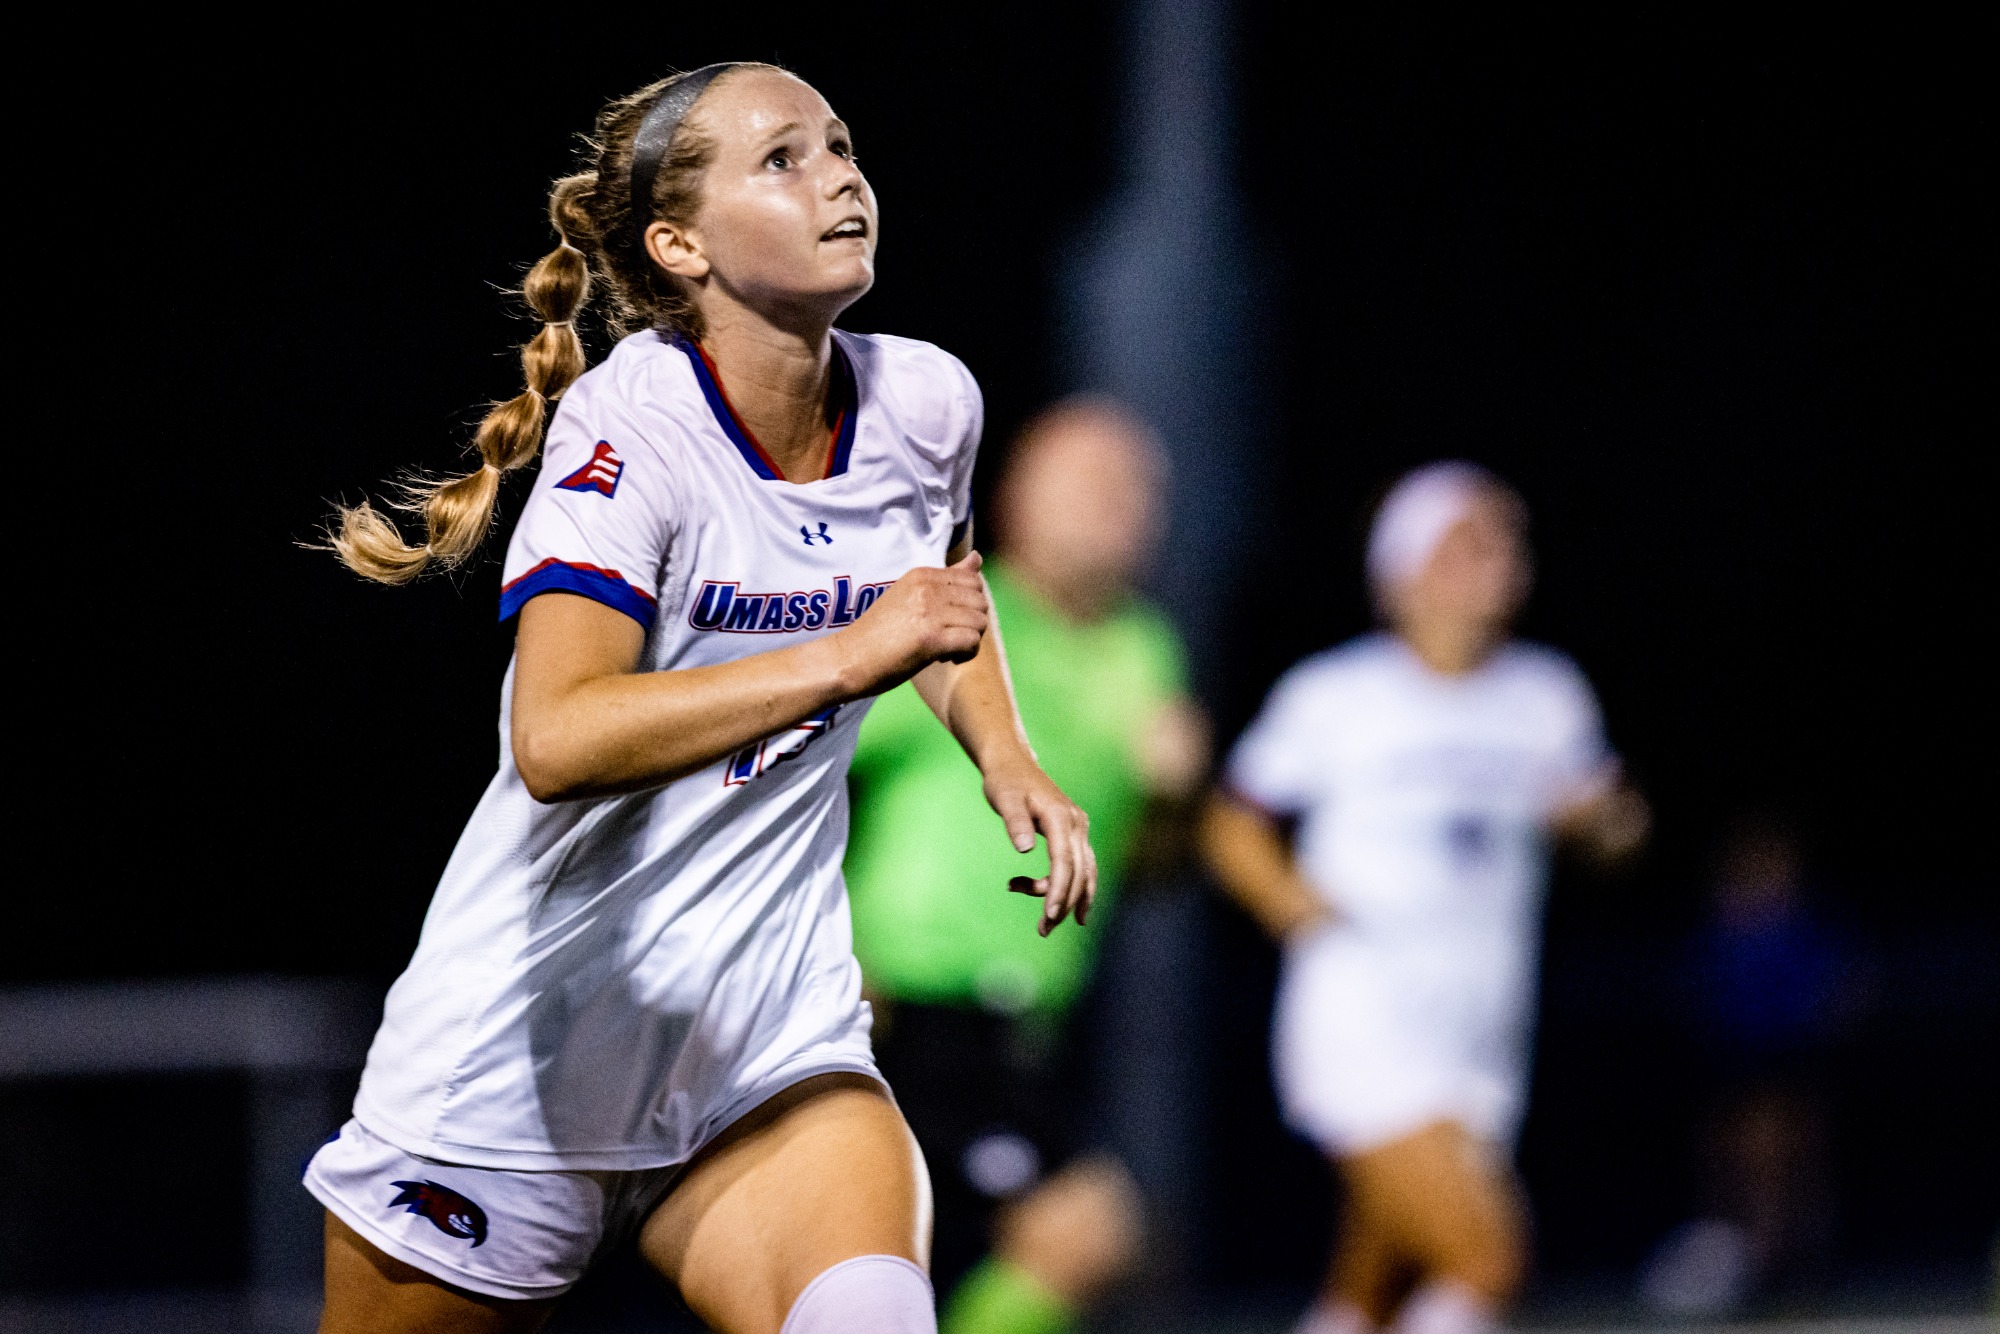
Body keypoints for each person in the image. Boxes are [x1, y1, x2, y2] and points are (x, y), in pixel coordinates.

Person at [304, 63, 1095, 1334]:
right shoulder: (633, 430)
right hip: (524, 1055)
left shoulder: (926, 401)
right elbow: (557, 735)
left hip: (766, 1041)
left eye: (840, 145)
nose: (839, 177)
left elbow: (940, 603)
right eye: (781, 158)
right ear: (681, 245)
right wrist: (844, 656)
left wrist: (1006, 754)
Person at [1201, 462, 1648, 1334]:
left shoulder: (1545, 696)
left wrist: (1604, 825)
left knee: (1376, 1292)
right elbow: (1233, 822)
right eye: (1464, 545)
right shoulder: (1338, 693)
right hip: (1368, 1017)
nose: (1495, 562)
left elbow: (1614, 829)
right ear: (1401, 572)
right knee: (1485, 1259)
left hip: (1480, 1033)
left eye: (1503, 544)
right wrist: (1293, 905)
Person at [845, 399, 1206, 1334]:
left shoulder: (1144, 648)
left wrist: (1174, 802)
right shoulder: (956, 620)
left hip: (1028, 1021)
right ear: (1016, 497)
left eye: (1140, 487)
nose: (1122, 504)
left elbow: (1152, 869)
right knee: (1081, 1232)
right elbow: (812, 770)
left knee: (910, 1268)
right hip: (911, 1006)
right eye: (1093, 481)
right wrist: (832, 951)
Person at [1641, 814, 1857, 1316]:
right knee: (1727, 1169)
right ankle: (1736, 1267)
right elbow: (1692, 991)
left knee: (1786, 1171)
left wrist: (1822, 1022)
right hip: (1728, 1065)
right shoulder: (1720, 932)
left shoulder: (1802, 928)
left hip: (1788, 1064)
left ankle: (1791, 1270)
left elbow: (1845, 984)